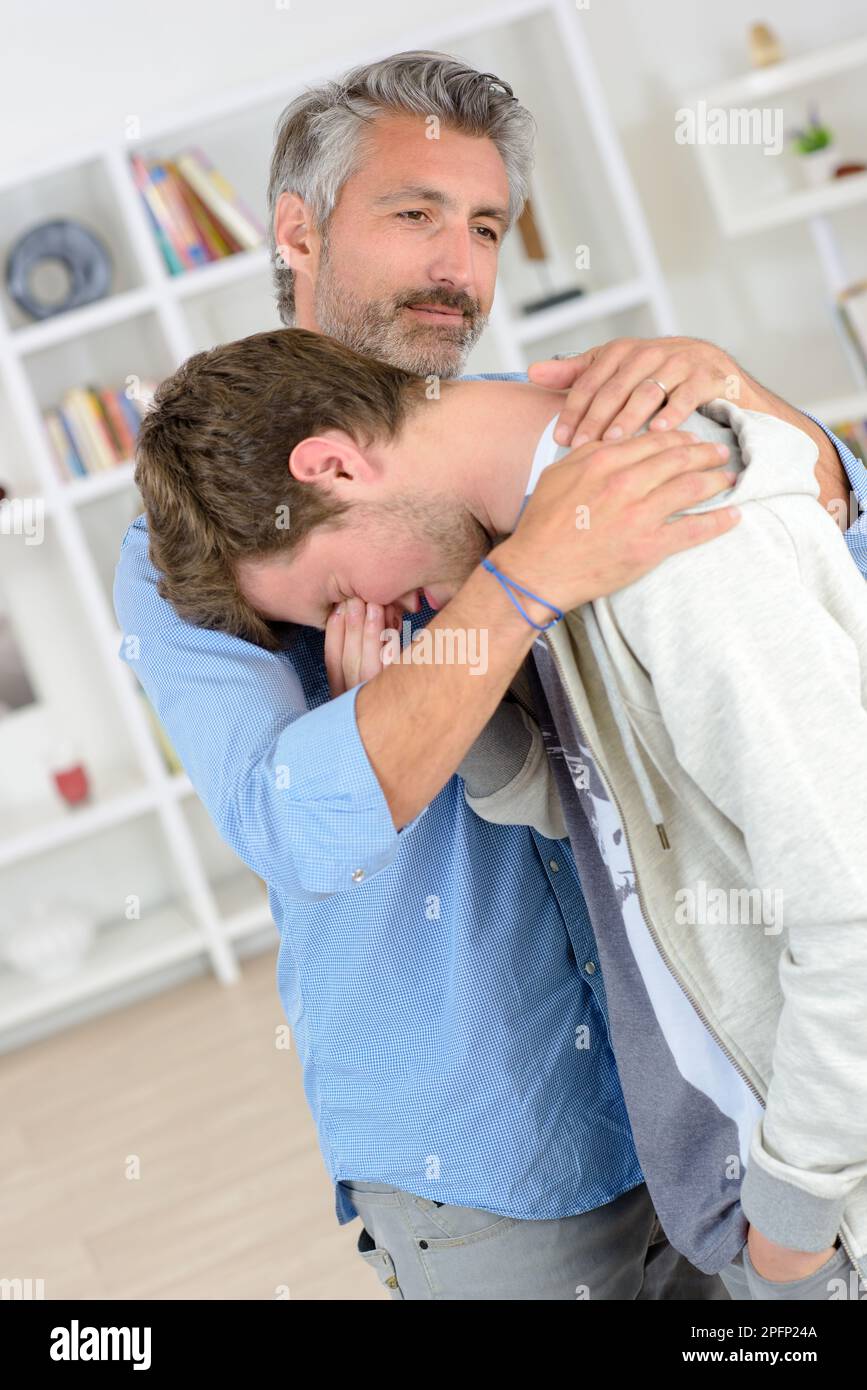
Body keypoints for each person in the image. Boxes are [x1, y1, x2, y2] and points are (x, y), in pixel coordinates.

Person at [115, 50, 865, 1301]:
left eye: (485, 225)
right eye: (413, 215)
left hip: (746, 1107)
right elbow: (299, 822)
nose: (458, 266)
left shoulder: (589, 449)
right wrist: (521, 593)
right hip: (494, 1147)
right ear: (297, 230)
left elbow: (823, 583)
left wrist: (760, 412)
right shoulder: (197, 533)